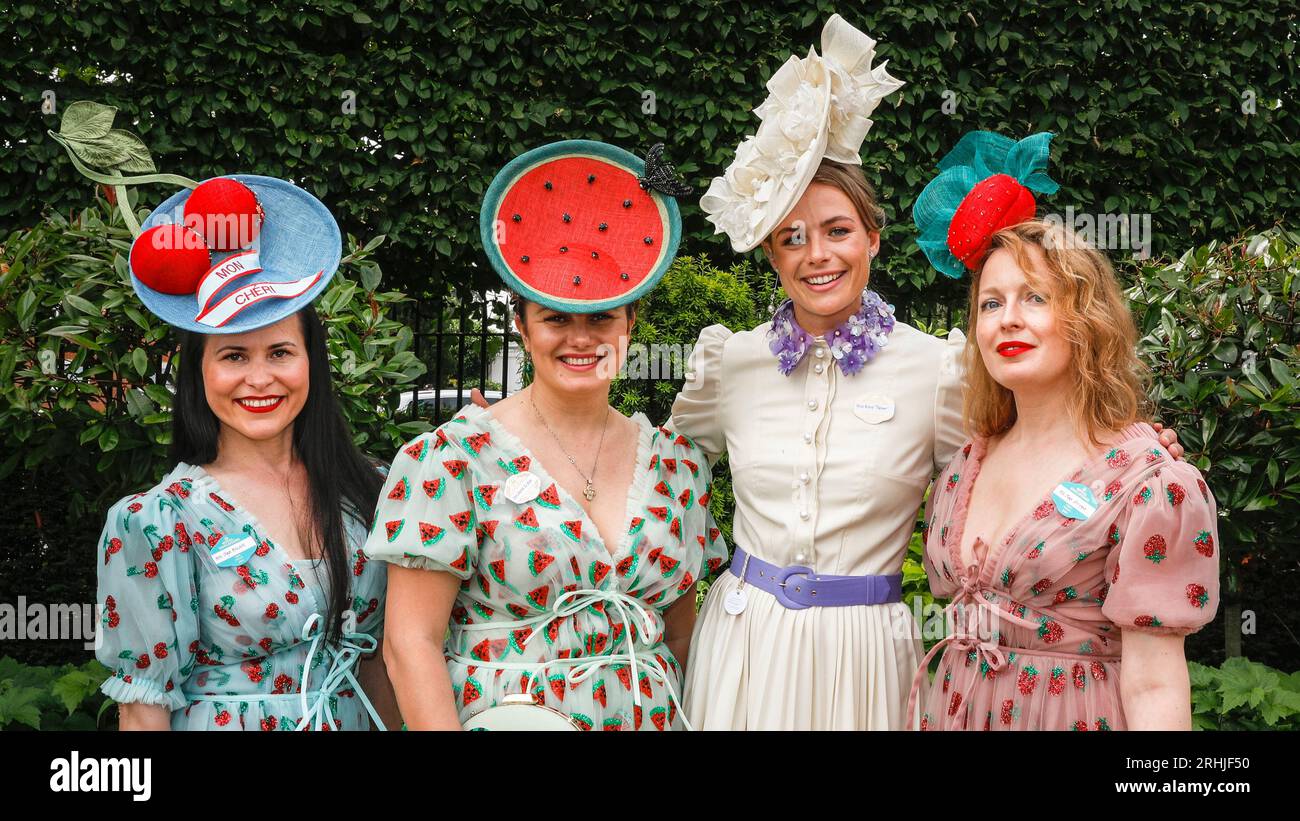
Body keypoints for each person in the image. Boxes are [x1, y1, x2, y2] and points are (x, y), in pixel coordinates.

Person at [678, 17, 1183, 730]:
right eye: (790, 238)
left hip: (866, 653)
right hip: (743, 645)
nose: (815, 253)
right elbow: (660, 464)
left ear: (874, 238)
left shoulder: (938, 368)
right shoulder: (729, 362)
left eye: (837, 229)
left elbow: (1028, 453)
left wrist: (1126, 454)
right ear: (771, 255)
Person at [367, 140, 726, 730]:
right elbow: (411, 645)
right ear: (522, 326)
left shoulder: (677, 466)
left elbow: (681, 635)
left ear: (631, 323)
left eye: (601, 317)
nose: (580, 339)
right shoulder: (453, 461)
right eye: (556, 318)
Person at [905, 132, 1219, 730]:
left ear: (1085, 320)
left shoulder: (1151, 483)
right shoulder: (968, 460)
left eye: (1035, 298)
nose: (1009, 320)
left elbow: (1154, 683)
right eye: (990, 304)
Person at [91, 171, 397, 730]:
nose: (259, 378)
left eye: (280, 352)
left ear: (311, 364)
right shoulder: (156, 522)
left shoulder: (372, 491)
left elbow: (381, 659)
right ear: (200, 375)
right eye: (233, 356)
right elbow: (143, 705)